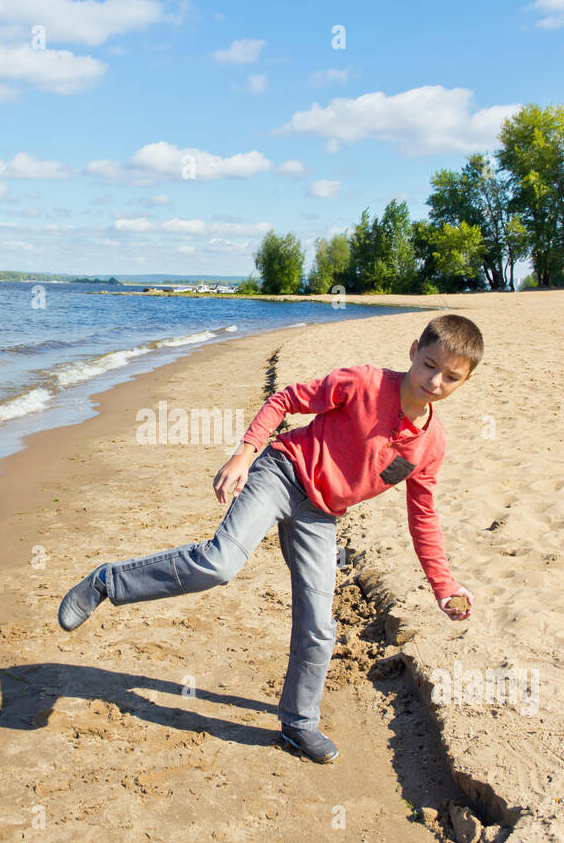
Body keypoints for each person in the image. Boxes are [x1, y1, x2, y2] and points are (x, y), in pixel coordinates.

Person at [58, 313, 482, 763]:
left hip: (321, 515)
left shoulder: (430, 445)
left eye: (451, 376)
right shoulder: (364, 383)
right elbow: (285, 400)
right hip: (282, 473)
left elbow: (423, 517)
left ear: (465, 381)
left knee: (319, 627)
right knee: (219, 564)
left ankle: (299, 725)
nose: (435, 381)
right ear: (413, 350)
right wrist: (244, 455)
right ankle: (107, 581)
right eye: (429, 364)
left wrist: (444, 585)